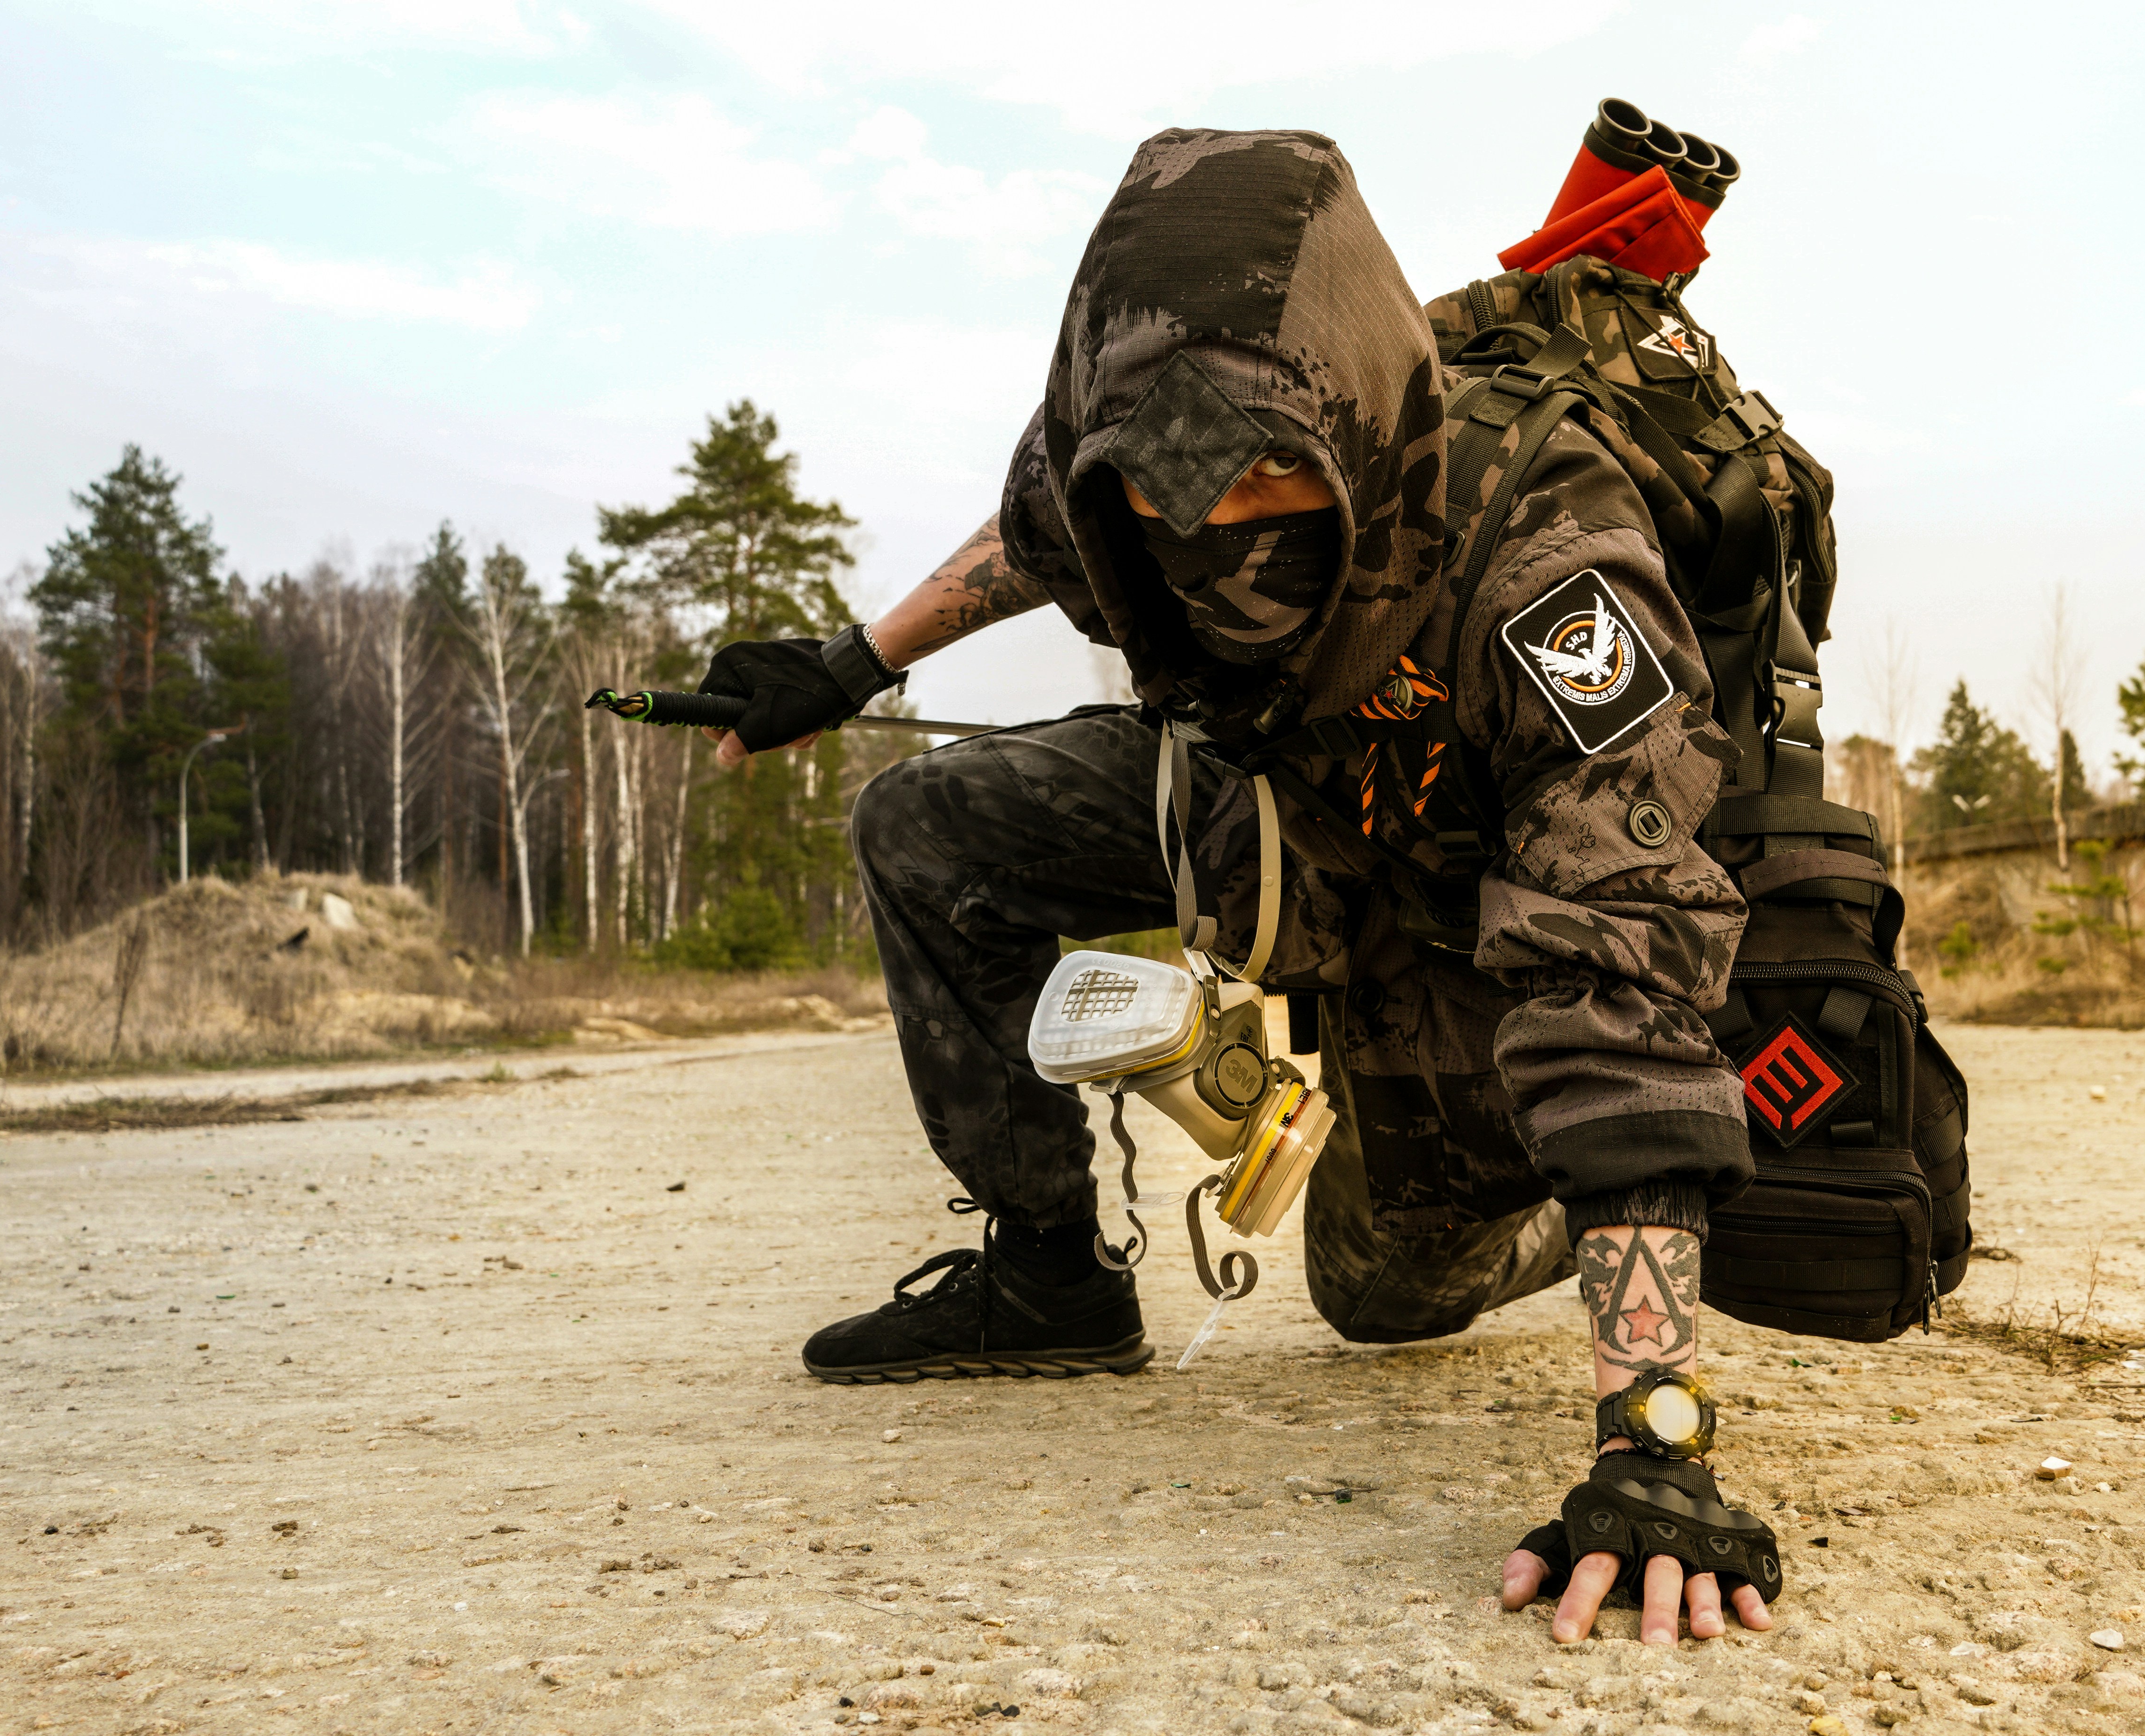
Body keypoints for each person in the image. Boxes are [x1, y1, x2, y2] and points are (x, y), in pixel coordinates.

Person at [697, 128, 1778, 1645]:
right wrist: (849, 664)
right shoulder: (1132, 455)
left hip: (1457, 903)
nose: (1223, 534)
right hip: (1254, 796)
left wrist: (1649, 1435)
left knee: (1376, 1291)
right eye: (1172, 500)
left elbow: (1622, 948)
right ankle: (1050, 1279)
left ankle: (1570, 1206)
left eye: (1279, 478)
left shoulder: (1546, 552)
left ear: (1363, 433)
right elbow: (1035, 536)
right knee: (926, 826)